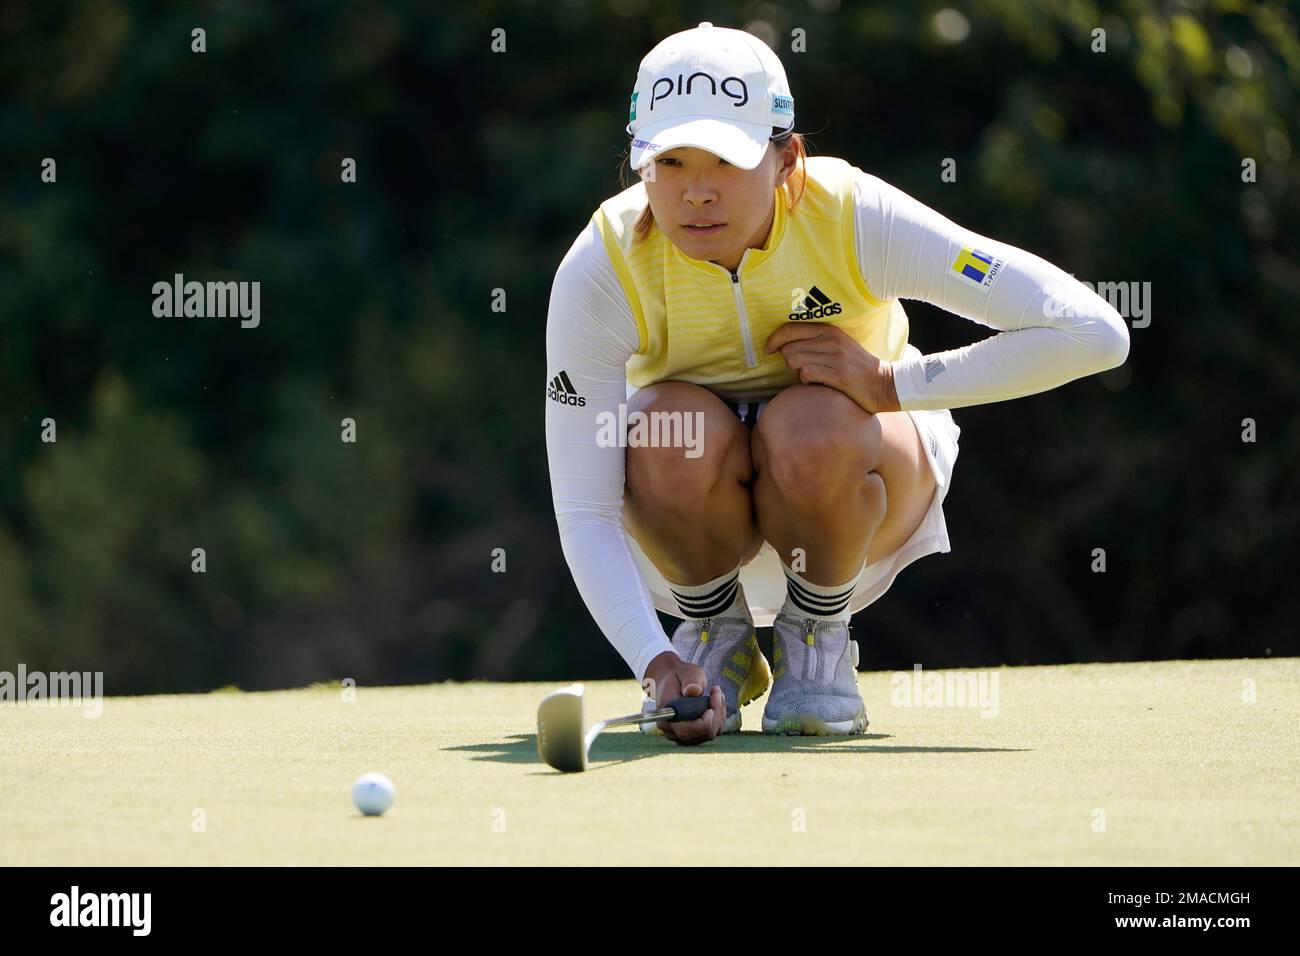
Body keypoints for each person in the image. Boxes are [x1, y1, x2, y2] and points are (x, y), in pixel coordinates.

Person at [544, 22, 1129, 744]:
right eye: (670, 161)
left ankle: (816, 637)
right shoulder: (602, 262)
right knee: (664, 428)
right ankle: (712, 635)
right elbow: (584, 508)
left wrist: (891, 383)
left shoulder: (855, 216)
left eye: (725, 161)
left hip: (859, 498)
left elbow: (1094, 332)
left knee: (812, 424)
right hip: (689, 535)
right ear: (640, 165)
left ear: (786, 158)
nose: (696, 192)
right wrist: (654, 661)